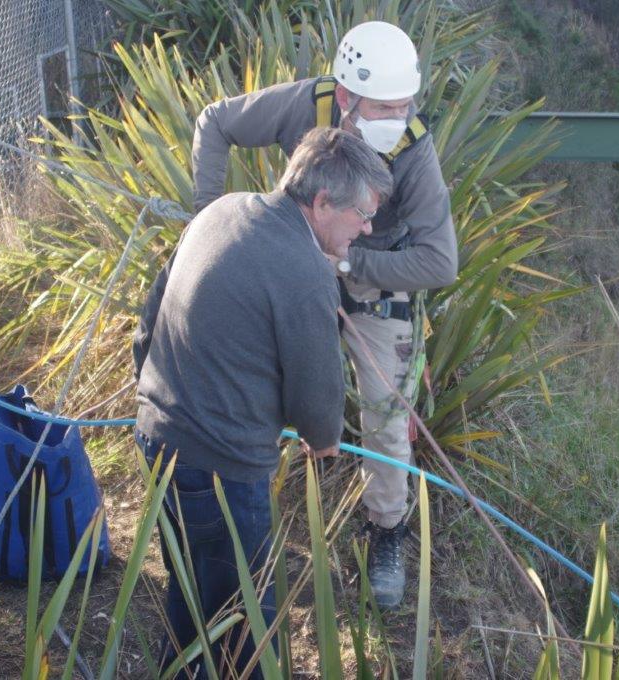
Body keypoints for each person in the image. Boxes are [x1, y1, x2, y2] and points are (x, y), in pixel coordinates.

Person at [190, 20, 458, 609]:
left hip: (370, 287)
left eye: (404, 104)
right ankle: (252, 503)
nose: (396, 116)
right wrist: (206, 219)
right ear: (344, 98)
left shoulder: (414, 150)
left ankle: (387, 530)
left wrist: (350, 264)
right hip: (288, 268)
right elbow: (216, 122)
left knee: (387, 423)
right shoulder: (304, 104)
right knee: (253, 377)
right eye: (382, 107)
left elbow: (440, 261)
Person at [133, 126, 392, 678]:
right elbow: (318, 398)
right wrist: (325, 444)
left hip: (156, 433)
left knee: (192, 589)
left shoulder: (222, 210)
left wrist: (157, 394)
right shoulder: (305, 272)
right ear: (322, 202)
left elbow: (150, 312)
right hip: (222, 470)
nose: (367, 229)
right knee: (247, 625)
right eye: (361, 216)